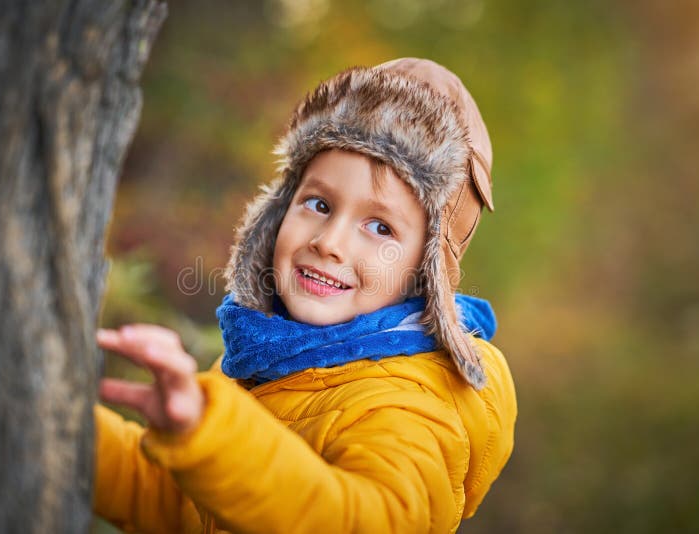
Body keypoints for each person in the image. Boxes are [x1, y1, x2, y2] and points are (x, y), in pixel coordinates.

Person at [93, 57, 517, 534]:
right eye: (319, 204)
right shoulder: (269, 357)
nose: (329, 242)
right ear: (278, 212)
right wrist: (69, 434)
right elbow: (175, 504)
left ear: (426, 271)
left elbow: (357, 520)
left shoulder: (409, 406)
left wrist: (209, 432)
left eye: (380, 227)